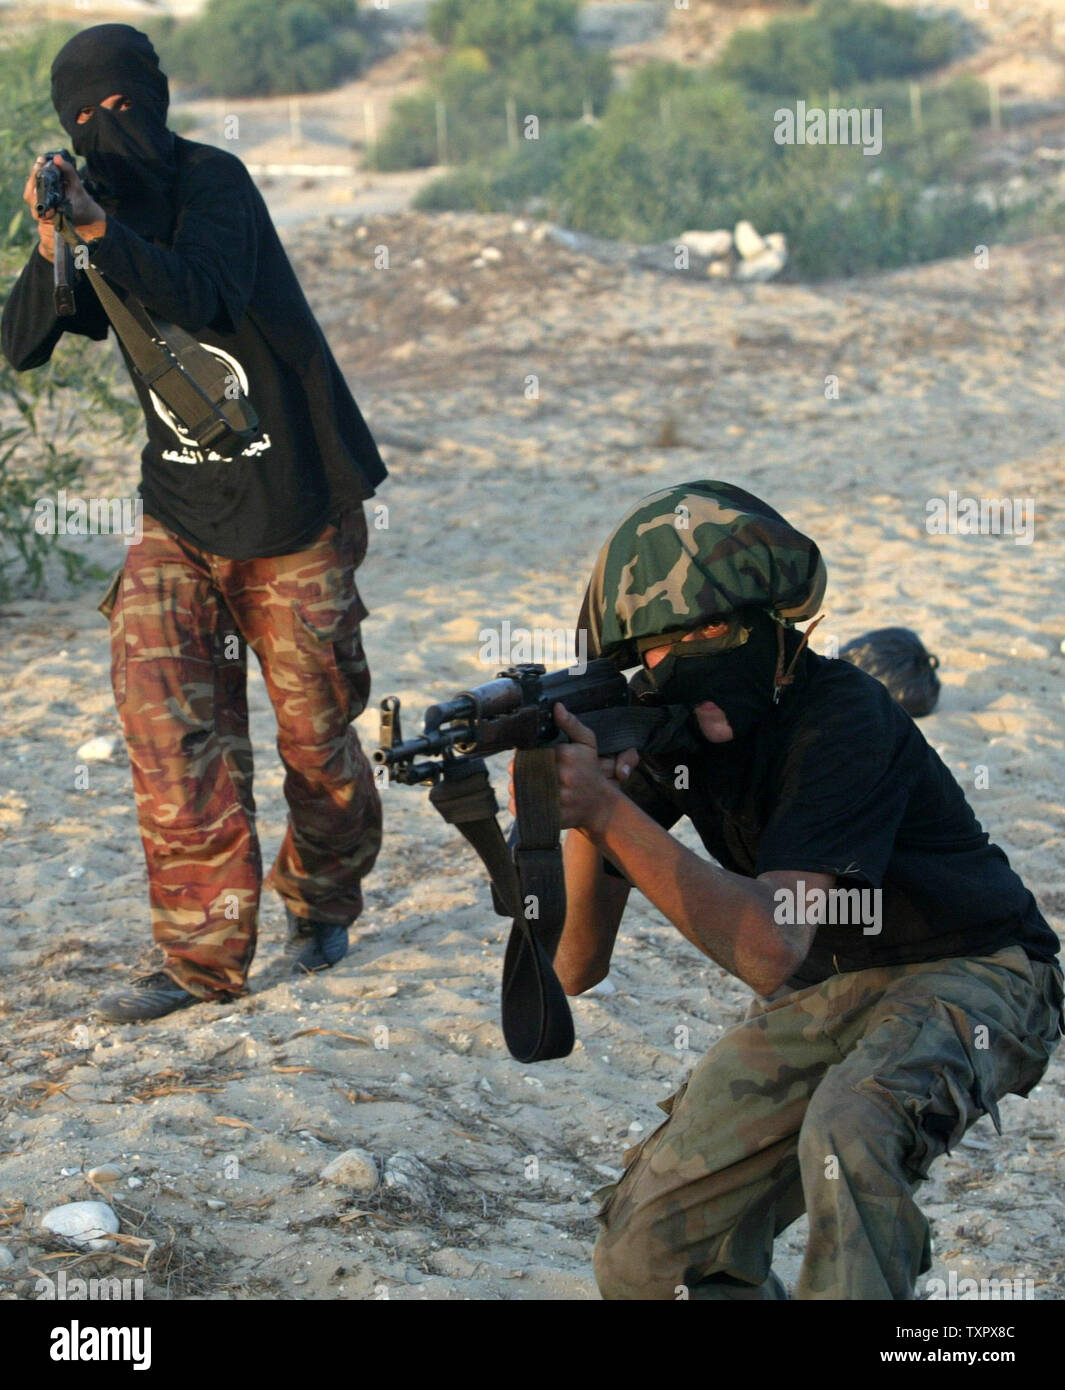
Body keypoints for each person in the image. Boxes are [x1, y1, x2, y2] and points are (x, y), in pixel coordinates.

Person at [543, 480, 1062, 1300]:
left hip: (982, 968)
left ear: (769, 631)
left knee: (851, 1130)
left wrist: (608, 812)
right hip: (829, 985)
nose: (677, 662)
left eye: (709, 631)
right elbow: (573, 967)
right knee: (647, 1252)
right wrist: (578, 814)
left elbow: (764, 946)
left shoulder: (840, 717)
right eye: (654, 646)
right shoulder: (666, 732)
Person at [1, 25, 386, 1021]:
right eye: (85, 116)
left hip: (296, 503)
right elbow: (25, 343)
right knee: (170, 727)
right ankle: (200, 960)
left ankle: (323, 895)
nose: (105, 127)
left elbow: (206, 292)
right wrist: (54, 245)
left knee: (317, 739)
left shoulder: (217, 182)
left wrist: (102, 235)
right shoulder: (96, 207)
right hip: (179, 514)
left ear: (158, 98)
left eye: (120, 105)